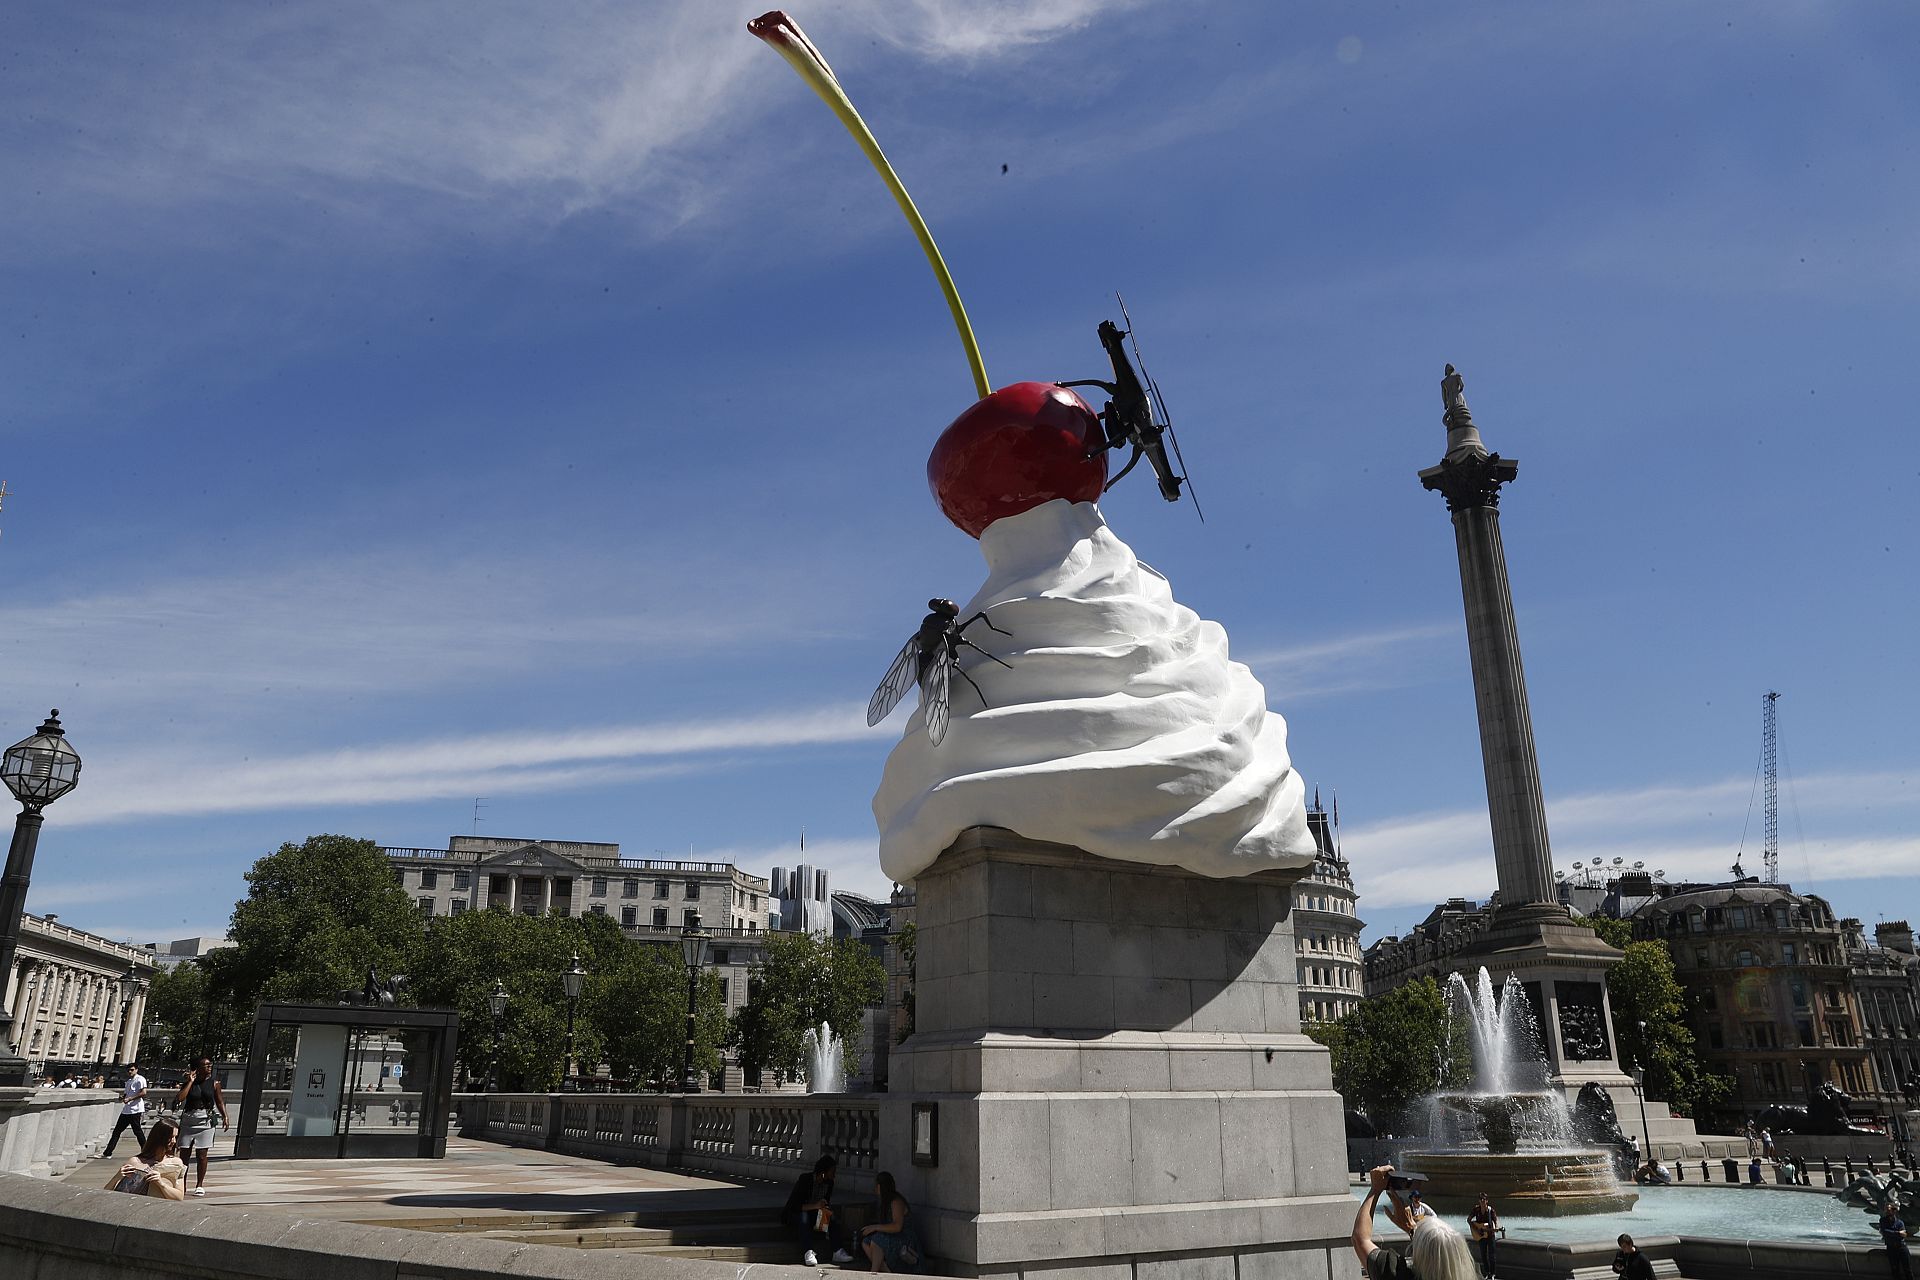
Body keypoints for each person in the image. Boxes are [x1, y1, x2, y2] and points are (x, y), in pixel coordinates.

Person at [1353, 1166, 1479, 1280]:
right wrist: (1412, 1228)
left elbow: (1360, 1239)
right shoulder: (1469, 1273)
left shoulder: (1397, 1273)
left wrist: (1375, 1189)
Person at [781, 1154, 851, 1267]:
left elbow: (825, 1202)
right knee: (804, 1217)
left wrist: (824, 1208)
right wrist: (816, 1206)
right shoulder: (805, 1179)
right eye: (832, 1171)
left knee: (831, 1216)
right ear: (823, 1172)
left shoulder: (829, 1183)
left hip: (814, 1213)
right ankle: (808, 1251)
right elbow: (795, 1206)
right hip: (796, 1214)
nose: (834, 1175)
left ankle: (837, 1250)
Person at [174, 1057, 229, 1197]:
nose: (209, 1067)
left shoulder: (214, 1084)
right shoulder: (189, 1083)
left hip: (205, 1121)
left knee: (202, 1155)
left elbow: (219, 1101)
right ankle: (182, 1183)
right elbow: (180, 1098)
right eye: (206, 1065)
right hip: (189, 1120)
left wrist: (225, 1116)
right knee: (184, 1154)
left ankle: (199, 1184)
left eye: (210, 1065)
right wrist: (190, 1081)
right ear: (197, 1068)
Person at [104, 1118, 186, 1201]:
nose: (174, 1141)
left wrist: (161, 1183)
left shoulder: (176, 1163)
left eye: (175, 1137)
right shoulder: (135, 1162)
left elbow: (179, 1197)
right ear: (160, 1137)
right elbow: (105, 1193)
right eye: (171, 1137)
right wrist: (117, 1177)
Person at [859, 1171, 924, 1273]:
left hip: (905, 1240)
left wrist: (875, 1227)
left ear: (880, 1186)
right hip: (893, 1237)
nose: (874, 1189)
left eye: (876, 1186)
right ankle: (885, 1270)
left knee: (877, 1240)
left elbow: (897, 1226)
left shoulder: (896, 1202)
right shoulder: (885, 1202)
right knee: (866, 1242)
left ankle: (873, 1271)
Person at [101, 1062, 149, 1159]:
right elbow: (128, 1094)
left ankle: (147, 1151)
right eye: (128, 1070)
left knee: (137, 1131)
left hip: (135, 1110)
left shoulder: (140, 1079)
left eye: (132, 1070)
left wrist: (130, 1099)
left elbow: (143, 1093)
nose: (130, 1072)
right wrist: (123, 1097)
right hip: (127, 1110)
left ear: (136, 1070)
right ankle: (107, 1153)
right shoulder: (129, 1081)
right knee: (117, 1131)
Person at [1467, 1193, 1501, 1278]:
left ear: (1487, 1201)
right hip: (1481, 1235)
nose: (1482, 1201)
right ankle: (1487, 1273)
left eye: (1484, 1199)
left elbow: (1495, 1220)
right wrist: (1476, 1228)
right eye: (1481, 1199)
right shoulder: (1476, 1209)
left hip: (1490, 1235)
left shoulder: (1490, 1210)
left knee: (1492, 1255)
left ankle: (1493, 1274)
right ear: (1479, 1201)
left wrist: (1496, 1227)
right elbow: (1469, 1220)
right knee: (1483, 1255)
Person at [1880, 1203, 1913, 1280]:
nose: (1886, 1211)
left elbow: (1904, 1235)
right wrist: (1898, 1233)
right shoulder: (1883, 1221)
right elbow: (1885, 1232)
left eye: (1888, 1210)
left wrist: (1892, 1233)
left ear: (1894, 1211)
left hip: (1902, 1247)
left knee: (1907, 1269)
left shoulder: (1900, 1222)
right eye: (1886, 1209)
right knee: (1895, 1269)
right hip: (1891, 1248)